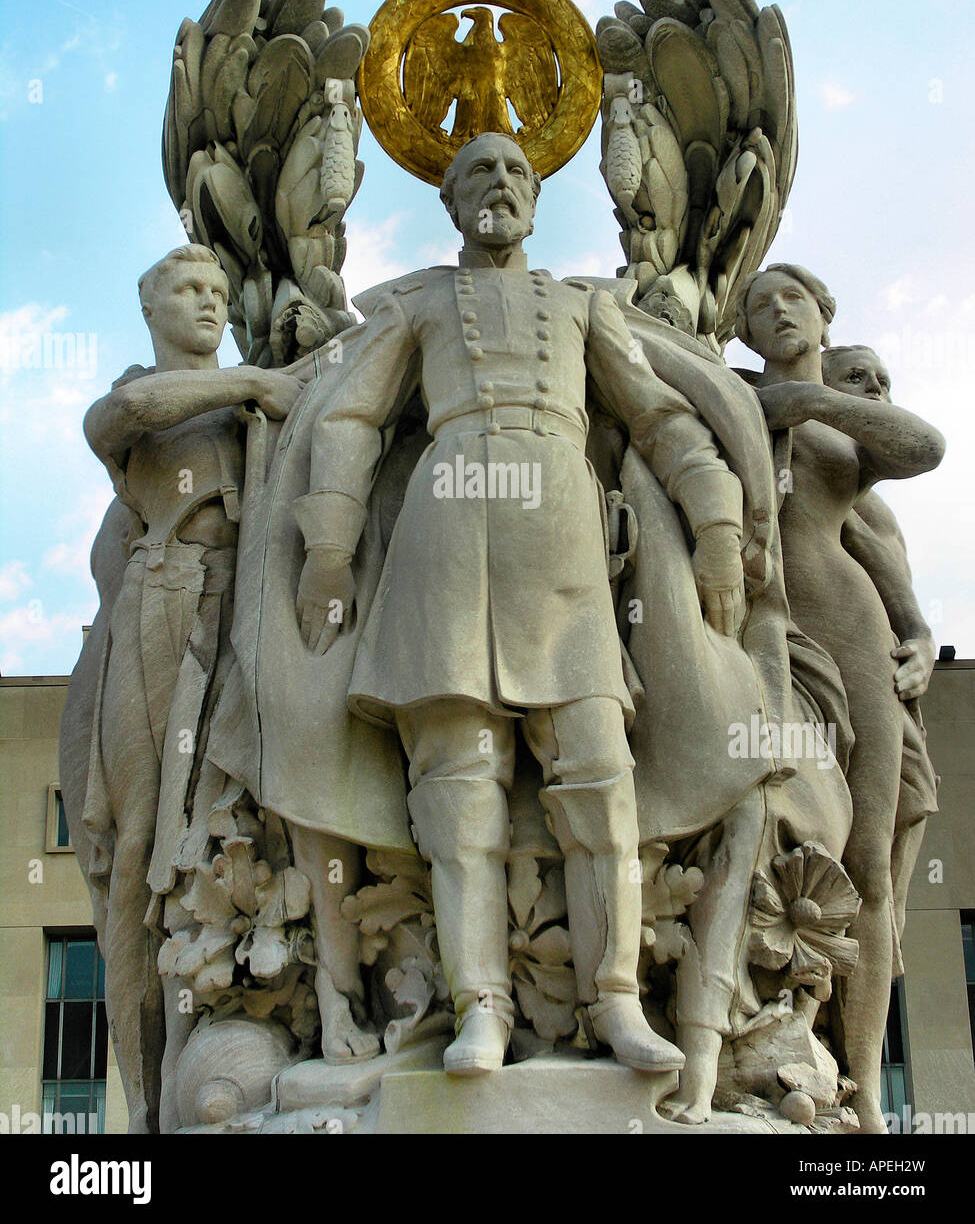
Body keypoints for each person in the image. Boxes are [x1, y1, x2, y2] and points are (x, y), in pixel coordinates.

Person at [292, 132, 748, 1076]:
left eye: (515, 173)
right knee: (457, 785)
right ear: (450, 204)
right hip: (445, 536)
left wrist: (716, 528)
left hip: (563, 537)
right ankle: (481, 1007)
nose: (497, 186)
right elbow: (349, 415)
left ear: (538, 201)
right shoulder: (418, 304)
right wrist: (330, 549)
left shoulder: (582, 305)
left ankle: (616, 999)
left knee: (597, 772)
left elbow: (659, 415)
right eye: (475, 175)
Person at [80, 244, 303, 1131]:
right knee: (141, 847)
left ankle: (206, 1045)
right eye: (188, 290)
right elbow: (121, 415)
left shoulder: (258, 396)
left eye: (218, 288)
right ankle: (147, 1102)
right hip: (163, 613)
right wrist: (247, 382)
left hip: (243, 616)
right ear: (150, 309)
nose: (209, 301)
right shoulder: (153, 394)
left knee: (211, 840)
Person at [736, 265, 944, 1132]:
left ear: (823, 317)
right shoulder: (727, 390)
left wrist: (809, 402)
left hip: (845, 631)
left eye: (793, 298)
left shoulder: (838, 438)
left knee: (863, 862)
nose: (775, 310)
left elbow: (923, 448)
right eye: (755, 304)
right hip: (748, 629)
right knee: (756, 820)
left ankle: (861, 1097)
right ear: (738, 331)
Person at [821, 344, 939, 945]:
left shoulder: (876, 509)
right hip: (788, 655)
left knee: (867, 862)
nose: (874, 391)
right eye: (856, 377)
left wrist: (921, 643)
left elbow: (906, 612)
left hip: (866, 671)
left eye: (883, 383)